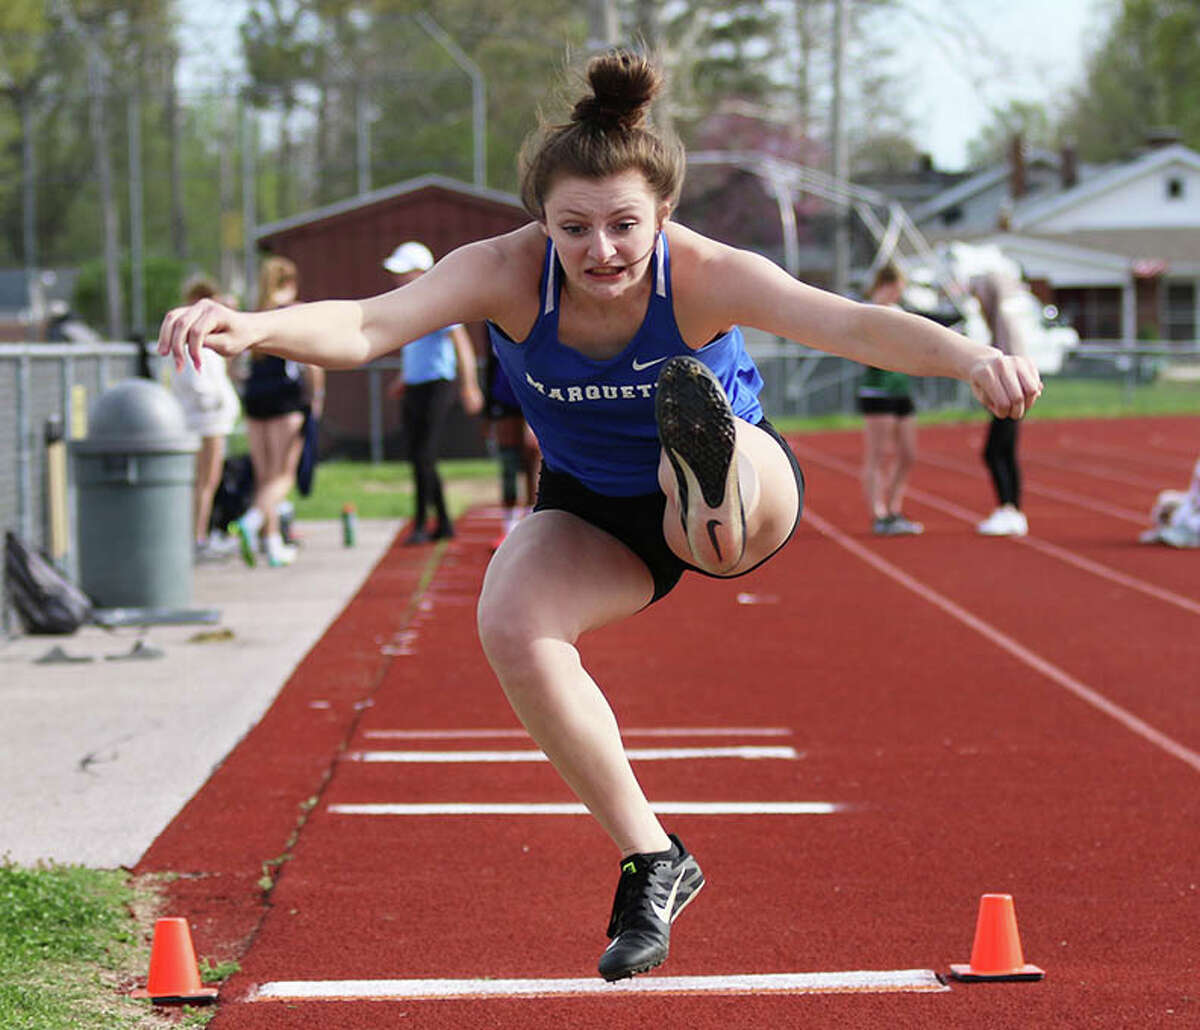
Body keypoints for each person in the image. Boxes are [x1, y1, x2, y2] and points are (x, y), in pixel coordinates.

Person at [158, 50, 1042, 982]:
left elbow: (851, 324)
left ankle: (699, 466)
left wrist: (969, 356)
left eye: (625, 226)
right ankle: (653, 855)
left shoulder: (704, 274)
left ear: (664, 216)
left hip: (748, 485)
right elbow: (371, 326)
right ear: (542, 222)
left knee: (713, 505)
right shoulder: (503, 273)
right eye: (574, 229)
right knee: (509, 618)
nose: (601, 252)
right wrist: (254, 326)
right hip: (594, 511)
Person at [382, 242, 484, 544]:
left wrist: (470, 385)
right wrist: (404, 378)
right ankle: (443, 523)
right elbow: (415, 349)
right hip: (415, 386)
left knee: (423, 455)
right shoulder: (408, 304)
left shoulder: (440, 301)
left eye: (404, 272)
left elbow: (461, 344)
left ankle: (421, 524)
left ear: (421, 271)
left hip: (437, 385)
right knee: (419, 456)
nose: (398, 279)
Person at [236, 255, 325, 567]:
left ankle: (273, 544)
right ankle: (252, 520)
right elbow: (313, 360)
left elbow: (236, 364)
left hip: (255, 399)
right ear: (289, 283)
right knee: (284, 473)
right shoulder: (293, 312)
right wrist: (316, 399)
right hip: (285, 401)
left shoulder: (255, 313)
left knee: (264, 476)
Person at [169, 276, 242, 561]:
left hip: (209, 421)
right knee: (204, 481)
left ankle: (199, 534)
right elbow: (198, 383)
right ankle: (196, 537)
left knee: (207, 481)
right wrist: (219, 402)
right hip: (205, 422)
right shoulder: (189, 340)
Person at [856, 263, 923, 536]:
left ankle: (894, 509)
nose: (898, 295)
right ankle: (879, 514)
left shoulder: (898, 312)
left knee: (908, 453)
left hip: (900, 388)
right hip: (877, 390)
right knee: (877, 454)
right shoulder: (869, 311)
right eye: (896, 289)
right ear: (886, 285)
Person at [968, 268, 1032, 537]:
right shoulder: (1003, 317)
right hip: (1013, 392)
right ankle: (1012, 509)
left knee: (994, 452)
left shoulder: (1004, 319)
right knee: (1004, 452)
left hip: (1012, 394)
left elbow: (1009, 357)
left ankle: (1009, 509)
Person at [484, 345, 541, 550]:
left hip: (534, 390)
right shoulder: (491, 323)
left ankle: (533, 523)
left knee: (533, 456)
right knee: (508, 460)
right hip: (504, 394)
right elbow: (491, 362)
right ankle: (508, 528)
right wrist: (487, 409)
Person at [1139, 457, 1200, 547]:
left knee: (1191, 521)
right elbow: (1194, 494)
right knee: (1166, 498)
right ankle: (1170, 531)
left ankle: (1187, 535)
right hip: (1194, 505)